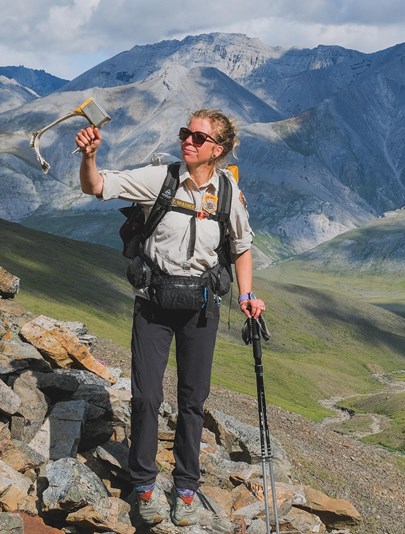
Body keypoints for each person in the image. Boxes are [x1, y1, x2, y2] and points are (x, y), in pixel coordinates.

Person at [75, 108, 266, 527]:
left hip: (201, 307)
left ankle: (185, 488)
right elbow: (98, 186)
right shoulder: (159, 178)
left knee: (193, 402)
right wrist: (89, 157)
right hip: (153, 304)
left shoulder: (228, 193)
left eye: (199, 138)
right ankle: (143, 485)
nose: (188, 141)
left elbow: (241, 247)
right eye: (186, 133)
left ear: (218, 149)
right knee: (146, 397)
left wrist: (248, 294)